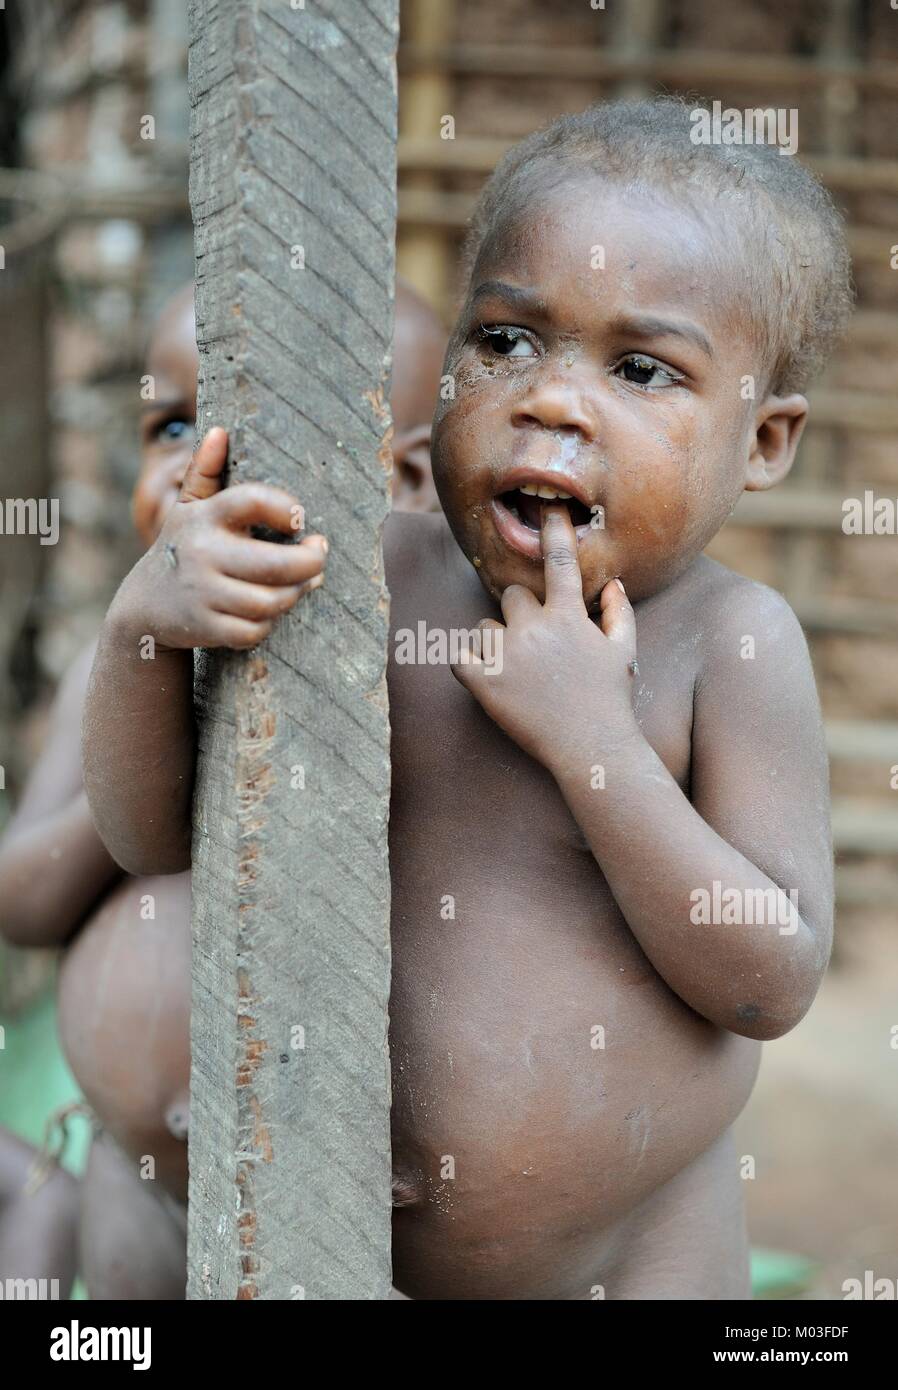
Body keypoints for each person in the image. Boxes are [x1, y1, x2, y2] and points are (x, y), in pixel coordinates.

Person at [81, 97, 850, 1299]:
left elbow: (770, 978)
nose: (548, 399)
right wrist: (142, 628)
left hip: (623, 1266)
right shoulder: (362, 577)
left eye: (640, 369)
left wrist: (595, 744)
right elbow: (145, 839)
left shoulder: (731, 646)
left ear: (763, 442)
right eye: (503, 342)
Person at [0, 278, 446, 1298]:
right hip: (141, 1182)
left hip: (351, 1208)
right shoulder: (122, 658)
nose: (212, 469)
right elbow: (21, 901)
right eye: (177, 425)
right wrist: (144, 757)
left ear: (412, 479)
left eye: (293, 435)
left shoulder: (436, 667)